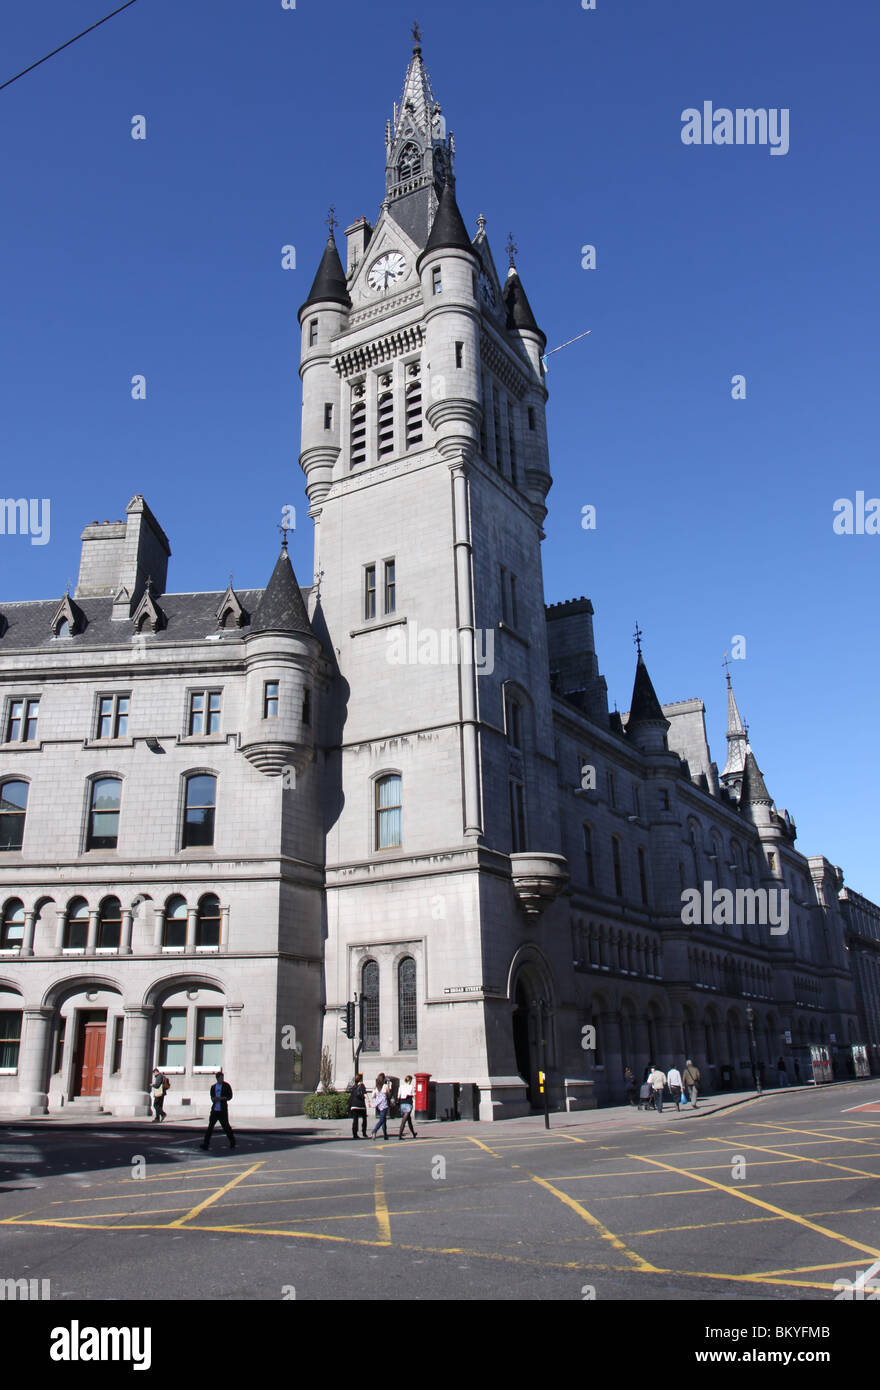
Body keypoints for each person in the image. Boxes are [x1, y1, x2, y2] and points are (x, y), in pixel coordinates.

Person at [201, 1070, 236, 1150]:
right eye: (220, 1078)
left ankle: (232, 1141)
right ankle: (206, 1143)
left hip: (222, 1109)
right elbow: (212, 1097)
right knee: (210, 1127)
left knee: (226, 1126)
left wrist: (222, 1098)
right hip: (215, 1110)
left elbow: (229, 1096)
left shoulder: (226, 1086)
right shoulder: (213, 1087)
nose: (222, 1079)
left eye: (222, 1077)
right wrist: (214, 1099)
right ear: (217, 1078)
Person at [370, 1072, 389, 1140]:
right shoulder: (385, 1086)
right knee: (382, 1120)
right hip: (384, 1105)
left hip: (378, 1105)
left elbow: (372, 1096)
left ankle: (385, 1135)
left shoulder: (376, 1087)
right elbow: (388, 1094)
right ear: (383, 1079)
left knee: (383, 1120)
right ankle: (374, 1131)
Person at [349, 1072, 368, 1139]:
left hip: (354, 1105)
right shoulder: (362, 1086)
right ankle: (364, 1132)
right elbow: (365, 1095)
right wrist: (368, 1101)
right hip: (361, 1105)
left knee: (355, 1120)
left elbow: (351, 1096)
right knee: (364, 1118)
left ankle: (355, 1133)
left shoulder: (354, 1087)